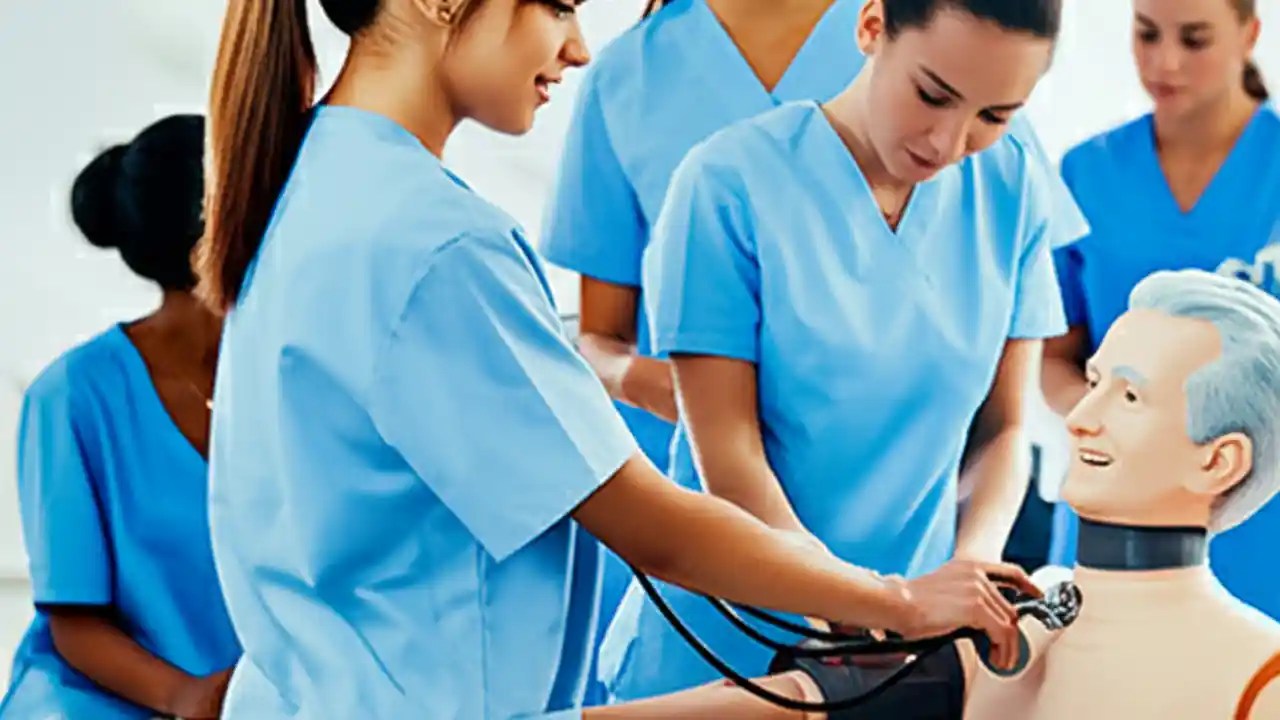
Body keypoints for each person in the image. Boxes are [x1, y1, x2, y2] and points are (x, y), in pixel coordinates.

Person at [196, 0, 1039, 717]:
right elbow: (650, 527)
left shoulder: (313, 179)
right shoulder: (437, 244)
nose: (578, 44)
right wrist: (894, 602)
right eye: (555, 3)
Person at [602, 0, 1086, 702]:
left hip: (907, 657)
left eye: (994, 115)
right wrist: (878, 604)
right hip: (731, 644)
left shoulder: (1011, 180)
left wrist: (968, 574)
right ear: (869, 27)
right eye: (932, 95)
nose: (948, 143)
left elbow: (1005, 427)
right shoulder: (726, 184)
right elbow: (730, 460)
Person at [541, 0, 866, 702]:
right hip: (690, 546)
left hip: (875, 533)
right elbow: (595, 341)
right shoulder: (626, 74)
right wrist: (652, 382)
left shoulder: (902, 39)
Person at [1041, 0, 1279, 618]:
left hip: (1264, 514)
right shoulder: (1086, 173)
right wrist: (1125, 424)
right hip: (1119, 507)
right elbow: (1052, 356)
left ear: (1250, 35)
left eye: (1194, 40)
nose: (1163, 61)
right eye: (1146, 34)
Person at [0, 115, 241, 720]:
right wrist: (187, 698)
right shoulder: (71, 396)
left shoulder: (286, 380)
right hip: (96, 705)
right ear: (216, 228)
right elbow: (74, 622)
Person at [963, 269, 1280, 719]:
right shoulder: (1010, 629)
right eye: (1094, 384)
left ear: (1217, 462)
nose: (1079, 418)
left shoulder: (1260, 679)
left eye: (1130, 397)